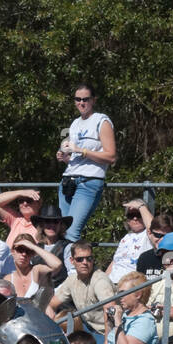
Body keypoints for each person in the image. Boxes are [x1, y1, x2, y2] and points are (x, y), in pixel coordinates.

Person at [56, 83, 116, 242]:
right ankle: (63, 266)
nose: (81, 103)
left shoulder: (101, 121)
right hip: (68, 181)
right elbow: (76, 158)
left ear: (93, 100)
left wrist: (81, 150)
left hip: (88, 182)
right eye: (77, 99)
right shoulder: (75, 123)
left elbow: (111, 157)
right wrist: (65, 158)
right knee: (60, 233)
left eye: (85, 99)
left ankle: (75, 266)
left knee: (71, 233)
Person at [99, 272, 160, 344]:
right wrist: (109, 321)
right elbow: (112, 340)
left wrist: (117, 322)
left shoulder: (145, 320)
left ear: (138, 294)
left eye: (123, 293)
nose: (119, 297)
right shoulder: (126, 314)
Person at [48, 241, 115, 344]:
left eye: (89, 258)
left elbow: (111, 310)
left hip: (106, 333)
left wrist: (107, 343)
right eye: (80, 259)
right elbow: (51, 304)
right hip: (88, 329)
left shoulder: (100, 281)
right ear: (72, 261)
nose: (85, 262)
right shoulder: (72, 280)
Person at [106, 199, 154, 283]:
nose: (135, 218)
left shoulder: (148, 235)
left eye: (138, 214)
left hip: (131, 285)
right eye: (131, 215)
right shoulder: (126, 237)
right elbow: (116, 261)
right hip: (113, 282)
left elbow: (154, 227)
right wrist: (104, 279)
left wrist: (141, 207)